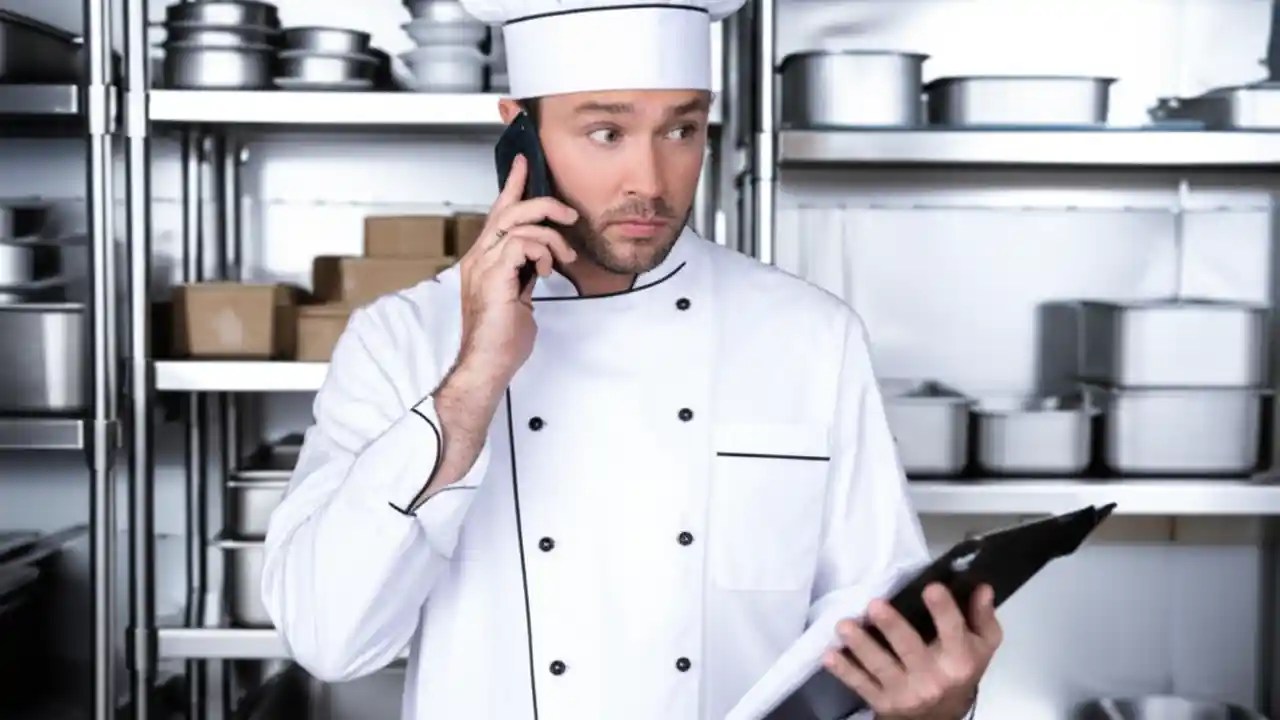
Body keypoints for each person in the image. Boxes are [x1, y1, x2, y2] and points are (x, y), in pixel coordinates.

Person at [260, 0, 1003, 716]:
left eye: (682, 129)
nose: (649, 181)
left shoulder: (809, 335)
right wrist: (472, 386)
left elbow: (871, 632)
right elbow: (330, 640)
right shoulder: (404, 339)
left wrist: (932, 709)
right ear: (520, 135)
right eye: (607, 133)